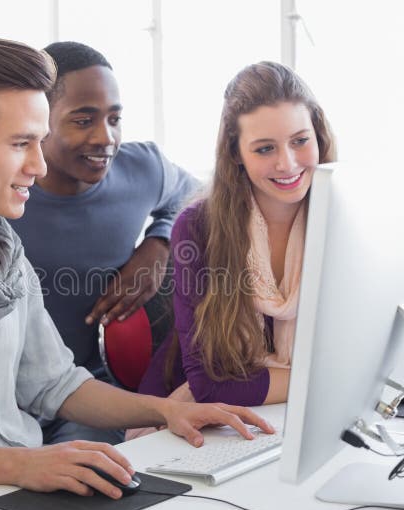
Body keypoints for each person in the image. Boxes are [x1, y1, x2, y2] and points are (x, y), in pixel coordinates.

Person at [0, 36, 271, 501]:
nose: (39, 165)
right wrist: (22, 464)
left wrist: (168, 412)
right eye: (21, 143)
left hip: (20, 490)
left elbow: (55, 382)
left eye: (40, 143)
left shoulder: (6, 254)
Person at [8, 41, 198, 444]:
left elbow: (199, 196)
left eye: (114, 118)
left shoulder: (141, 168)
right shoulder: (5, 192)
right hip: (7, 403)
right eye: (83, 120)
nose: (105, 137)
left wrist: (158, 243)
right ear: (41, 119)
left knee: (98, 485)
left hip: (88, 395)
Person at [137, 61, 337, 409]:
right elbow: (211, 386)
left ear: (318, 136)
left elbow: (361, 347)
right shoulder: (198, 227)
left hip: (295, 407)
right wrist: (332, 377)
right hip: (188, 412)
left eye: (300, 141)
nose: (287, 164)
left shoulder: (343, 217)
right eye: (264, 149)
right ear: (235, 153)